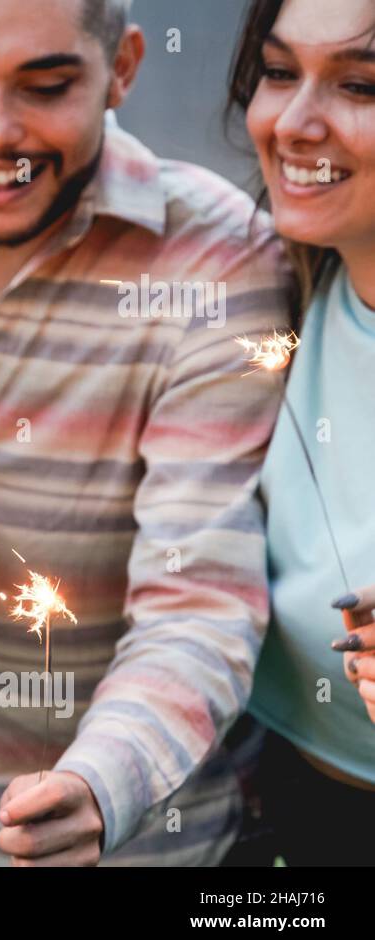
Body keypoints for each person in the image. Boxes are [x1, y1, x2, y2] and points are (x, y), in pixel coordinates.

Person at [0, 0, 296, 865]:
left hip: (163, 849)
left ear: (126, 69)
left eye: (47, 85)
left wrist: (103, 782)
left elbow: (198, 600)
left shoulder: (215, 260)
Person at [222, 0, 375, 866]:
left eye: (360, 85)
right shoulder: (281, 275)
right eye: (280, 72)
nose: (293, 121)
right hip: (282, 800)